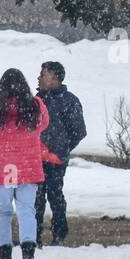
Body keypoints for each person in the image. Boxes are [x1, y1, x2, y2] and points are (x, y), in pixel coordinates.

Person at [0, 69, 49, 259]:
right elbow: (44, 124)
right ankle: (28, 255)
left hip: (4, 167)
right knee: (27, 211)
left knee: (3, 212)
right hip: (28, 167)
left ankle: (5, 254)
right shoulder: (35, 105)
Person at [35, 60, 86, 247]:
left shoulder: (69, 100)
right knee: (35, 198)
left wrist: (62, 148)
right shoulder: (37, 99)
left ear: (56, 77)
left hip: (56, 159)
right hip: (35, 158)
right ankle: (34, 235)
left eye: (44, 74)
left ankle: (59, 235)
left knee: (55, 196)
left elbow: (78, 130)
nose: (39, 77)